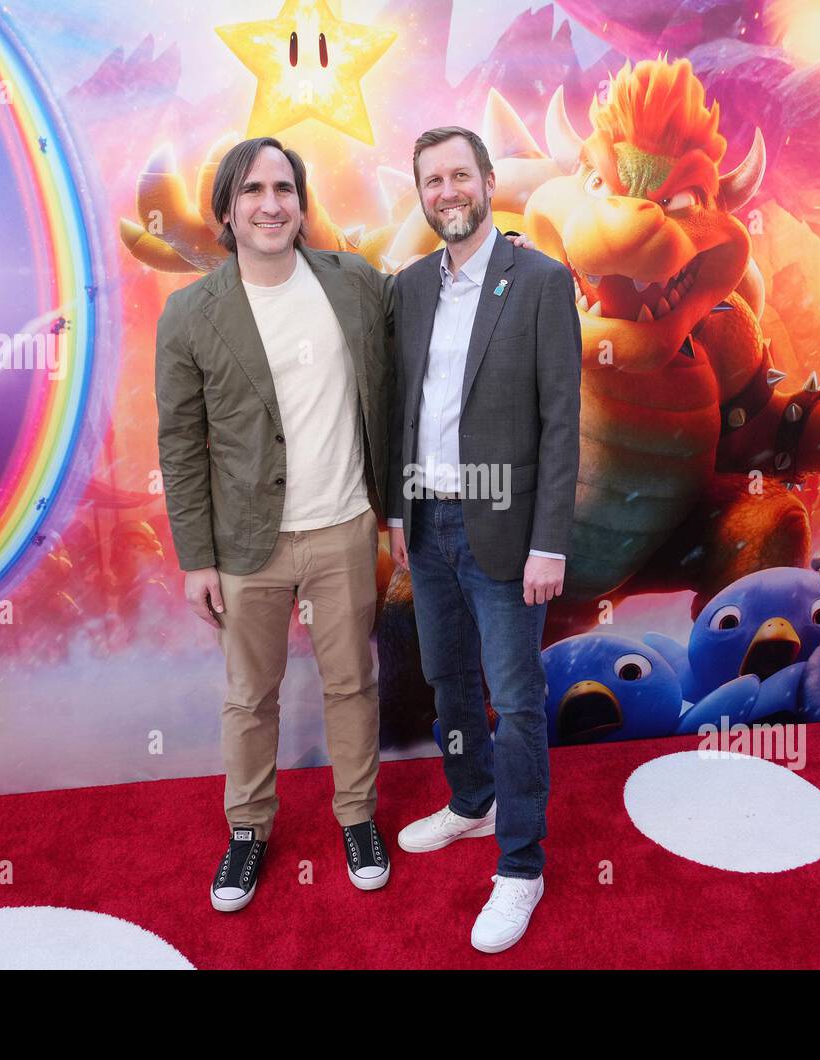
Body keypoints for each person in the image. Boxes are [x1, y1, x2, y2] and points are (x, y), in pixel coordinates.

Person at [155, 136, 396, 910]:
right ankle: (249, 830)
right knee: (249, 695)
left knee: (351, 681)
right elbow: (181, 447)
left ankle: (357, 816)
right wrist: (197, 559)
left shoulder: (353, 282)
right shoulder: (190, 313)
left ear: (301, 201)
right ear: (228, 209)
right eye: (253, 190)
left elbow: (412, 352)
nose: (271, 203)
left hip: (343, 529)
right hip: (244, 547)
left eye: (285, 188)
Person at [387, 126, 582, 953]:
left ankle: (522, 867)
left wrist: (551, 543)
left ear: (489, 182)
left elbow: (561, 421)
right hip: (427, 523)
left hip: (505, 528)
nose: (447, 192)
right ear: (423, 194)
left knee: (518, 701)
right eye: (432, 181)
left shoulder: (538, 280)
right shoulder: (406, 289)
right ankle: (472, 803)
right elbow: (404, 406)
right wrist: (398, 512)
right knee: (447, 680)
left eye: (459, 175)